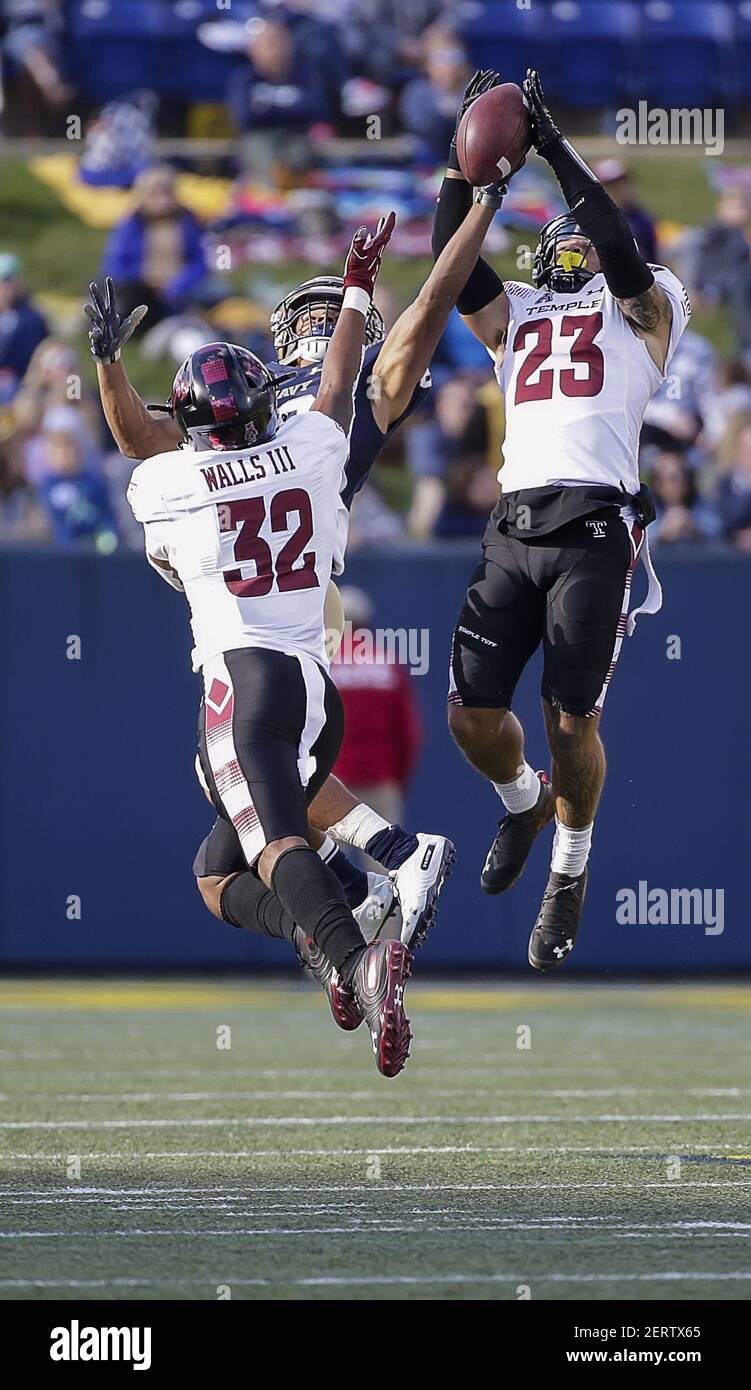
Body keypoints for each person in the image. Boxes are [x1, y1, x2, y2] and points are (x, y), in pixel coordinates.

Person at [84, 176, 497, 949]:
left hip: (287, 598)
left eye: (322, 312)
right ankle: (353, 894)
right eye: (302, 313)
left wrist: (471, 209)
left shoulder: (342, 399)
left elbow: (431, 306)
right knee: (241, 801)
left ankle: (385, 862)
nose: (311, 325)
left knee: (247, 768)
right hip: (262, 571)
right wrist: (357, 287)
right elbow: (173, 441)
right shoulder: (284, 415)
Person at [433, 70, 691, 970]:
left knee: (571, 723)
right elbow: (454, 267)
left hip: (594, 528)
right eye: (564, 232)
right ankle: (521, 803)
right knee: (469, 714)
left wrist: (546, 141)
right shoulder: (518, 318)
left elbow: (620, 252)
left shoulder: (644, 304)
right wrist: (461, 169)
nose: (576, 240)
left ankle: (570, 870)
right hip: (513, 525)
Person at [102, 165, 208, 327]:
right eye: (154, 193)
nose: (162, 199)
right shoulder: (131, 224)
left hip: (179, 291)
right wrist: (146, 282)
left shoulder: (186, 221)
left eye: (166, 192)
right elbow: (115, 265)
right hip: (141, 291)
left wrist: (176, 286)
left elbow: (199, 262)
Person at [0, 252, 48, 401]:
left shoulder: (33, 318)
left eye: (13, 280)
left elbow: (44, 350)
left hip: (23, 384)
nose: (9, 286)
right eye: (5, 280)